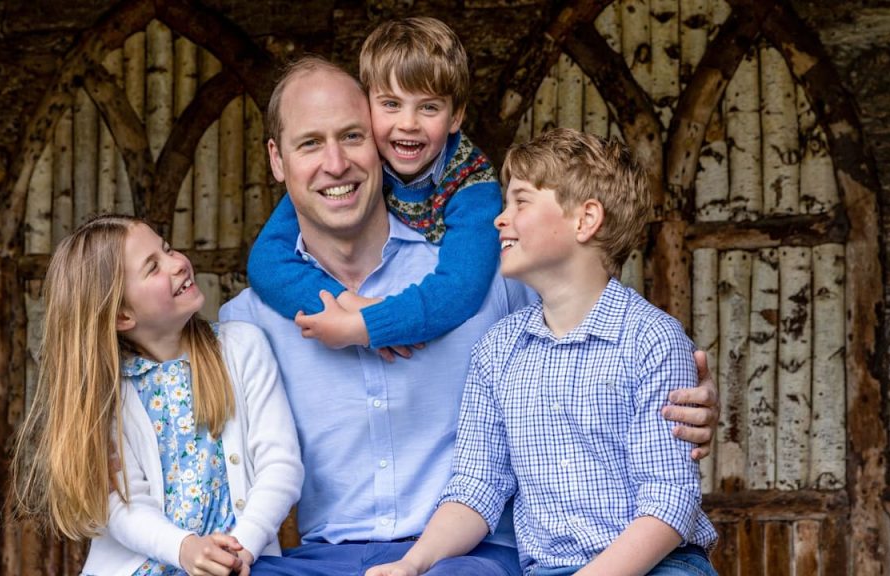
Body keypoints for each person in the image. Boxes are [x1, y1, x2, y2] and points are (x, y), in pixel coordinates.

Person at [220, 58, 718, 576]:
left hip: (473, 555)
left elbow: (592, 321)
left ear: (381, 145)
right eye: (309, 144)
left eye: (352, 136)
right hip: (326, 558)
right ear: (277, 159)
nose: (336, 162)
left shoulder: (486, 277)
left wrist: (685, 398)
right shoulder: (247, 325)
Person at [367, 129, 718, 576]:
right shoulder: (497, 350)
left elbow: (669, 499)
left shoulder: (651, 340)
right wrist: (412, 564)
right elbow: (477, 487)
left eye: (521, 202)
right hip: (549, 567)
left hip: (662, 565)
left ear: (585, 219)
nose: (501, 218)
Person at [9, 215, 303, 576]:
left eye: (168, 249)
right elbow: (123, 504)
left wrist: (241, 549)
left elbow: (280, 464)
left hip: (242, 562)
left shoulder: (242, 347)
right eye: (153, 267)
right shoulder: (106, 395)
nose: (177, 263)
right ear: (122, 315)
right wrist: (185, 549)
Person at [247, 17, 500, 355]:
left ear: (455, 117)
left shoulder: (473, 184)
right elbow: (266, 262)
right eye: (391, 104)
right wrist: (346, 303)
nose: (407, 124)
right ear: (367, 107)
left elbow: (461, 288)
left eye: (428, 107)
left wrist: (369, 325)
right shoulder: (364, 161)